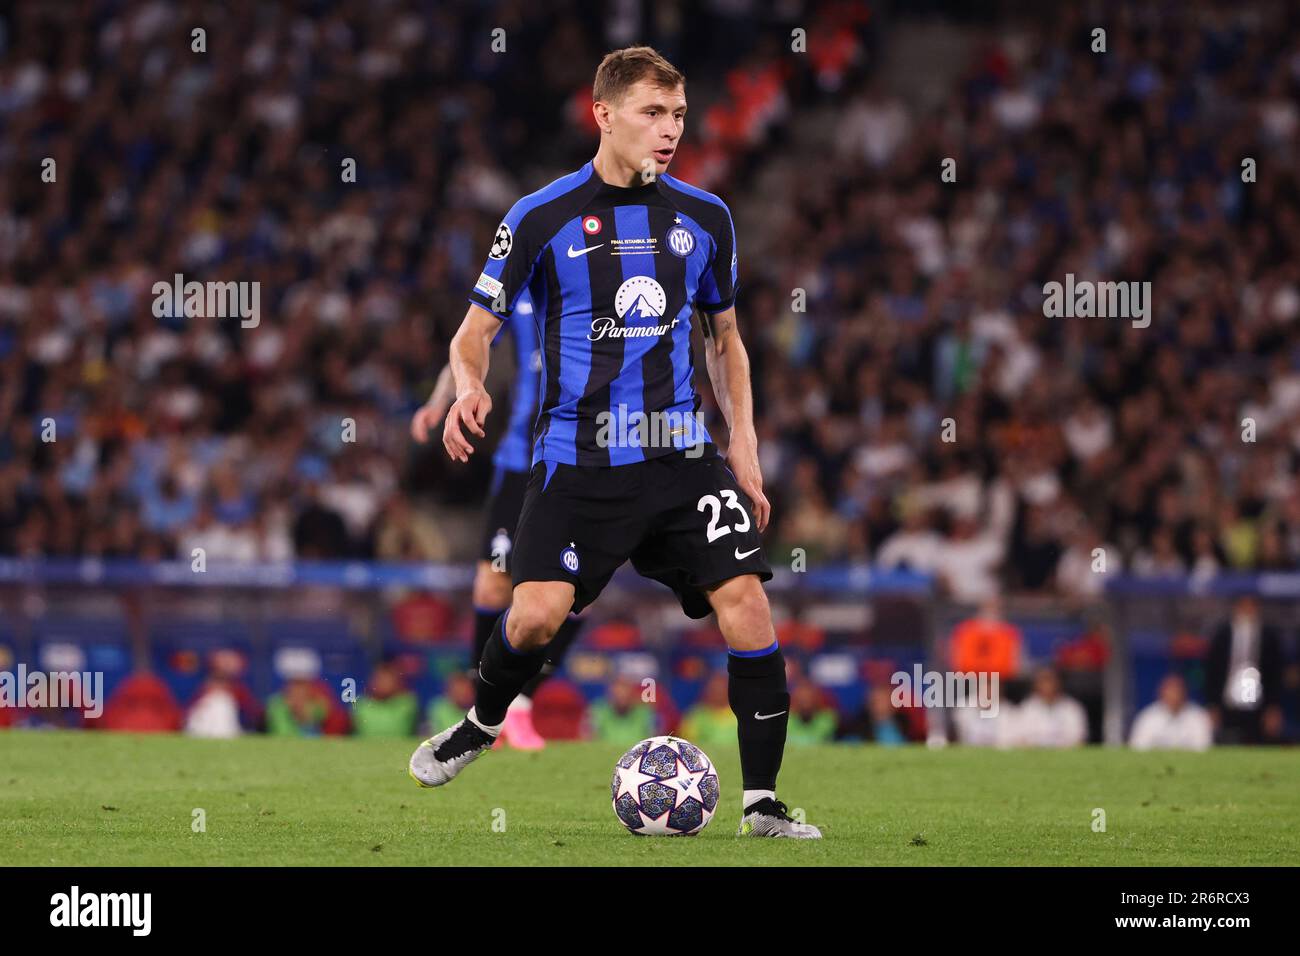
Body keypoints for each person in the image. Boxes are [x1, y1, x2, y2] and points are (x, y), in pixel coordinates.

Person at [410, 46, 821, 838]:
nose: (670, 131)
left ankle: (763, 803)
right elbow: (473, 335)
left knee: (748, 603)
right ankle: (483, 723)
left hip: (680, 456)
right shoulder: (539, 217)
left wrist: (744, 449)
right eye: (651, 114)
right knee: (531, 617)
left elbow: (725, 341)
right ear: (603, 115)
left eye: (678, 115)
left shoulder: (707, 217)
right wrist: (468, 388)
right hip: (579, 458)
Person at [411, 293, 583, 751]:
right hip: (518, 462)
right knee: (491, 585)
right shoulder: (522, 293)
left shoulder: (598, 283)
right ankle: (482, 705)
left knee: (576, 599)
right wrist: (439, 401)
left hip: (580, 464)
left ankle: (521, 703)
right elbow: (471, 341)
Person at [1205, 595, 1285, 744]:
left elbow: (1275, 674)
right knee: (1226, 743)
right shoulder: (1222, 635)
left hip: (1258, 704)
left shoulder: (1268, 636)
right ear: (1236, 608)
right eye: (1244, 606)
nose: (1248, 610)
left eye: (1251, 606)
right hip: (1228, 702)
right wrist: (1212, 704)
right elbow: (1212, 672)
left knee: (1258, 745)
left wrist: (1273, 707)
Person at [1129, 674, 1212, 751]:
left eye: (1177, 690)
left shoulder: (1199, 716)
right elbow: (1137, 748)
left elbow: (1204, 748)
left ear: (1185, 692)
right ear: (1161, 692)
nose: (1174, 695)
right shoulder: (1148, 717)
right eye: (1170, 690)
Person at [1010, 667, 1087, 747]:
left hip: (1064, 755)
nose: (1047, 685)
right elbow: (1018, 739)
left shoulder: (1072, 707)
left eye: (1050, 680)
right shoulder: (1025, 708)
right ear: (1036, 684)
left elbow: (1079, 739)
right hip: (1033, 756)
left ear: (1058, 683)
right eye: (1043, 681)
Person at [586, 675, 656, 743]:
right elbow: (589, 740)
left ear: (632, 691)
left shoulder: (645, 713)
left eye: (625, 689)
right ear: (611, 692)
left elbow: (653, 741)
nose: (622, 694)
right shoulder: (598, 710)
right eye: (618, 690)